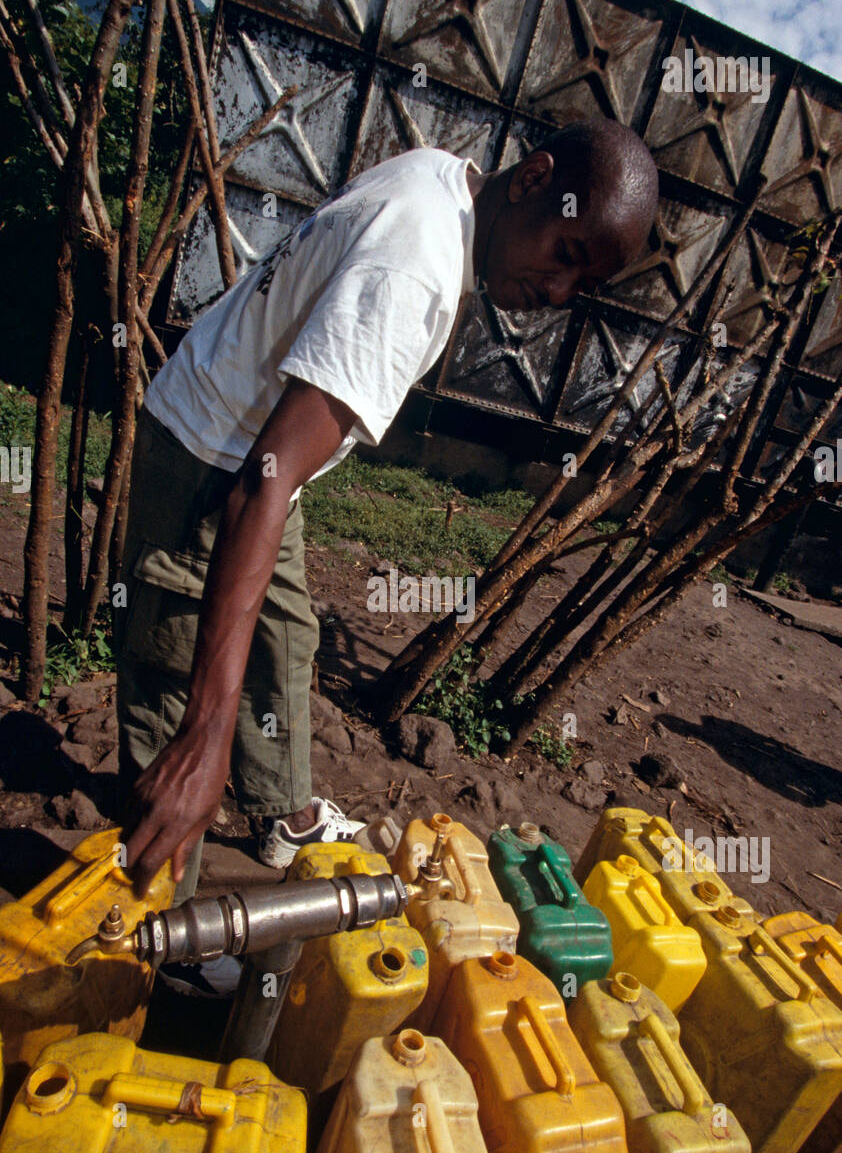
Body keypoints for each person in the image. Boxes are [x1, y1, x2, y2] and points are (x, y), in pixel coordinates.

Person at [118, 118, 659, 919]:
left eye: (579, 285)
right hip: (213, 457)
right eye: (566, 256)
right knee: (178, 714)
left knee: (287, 634)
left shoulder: (443, 178)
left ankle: (285, 817)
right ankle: (148, 938)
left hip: (258, 451)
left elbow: (276, 471)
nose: (554, 294)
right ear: (534, 179)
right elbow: (255, 487)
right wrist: (205, 735)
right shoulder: (420, 269)